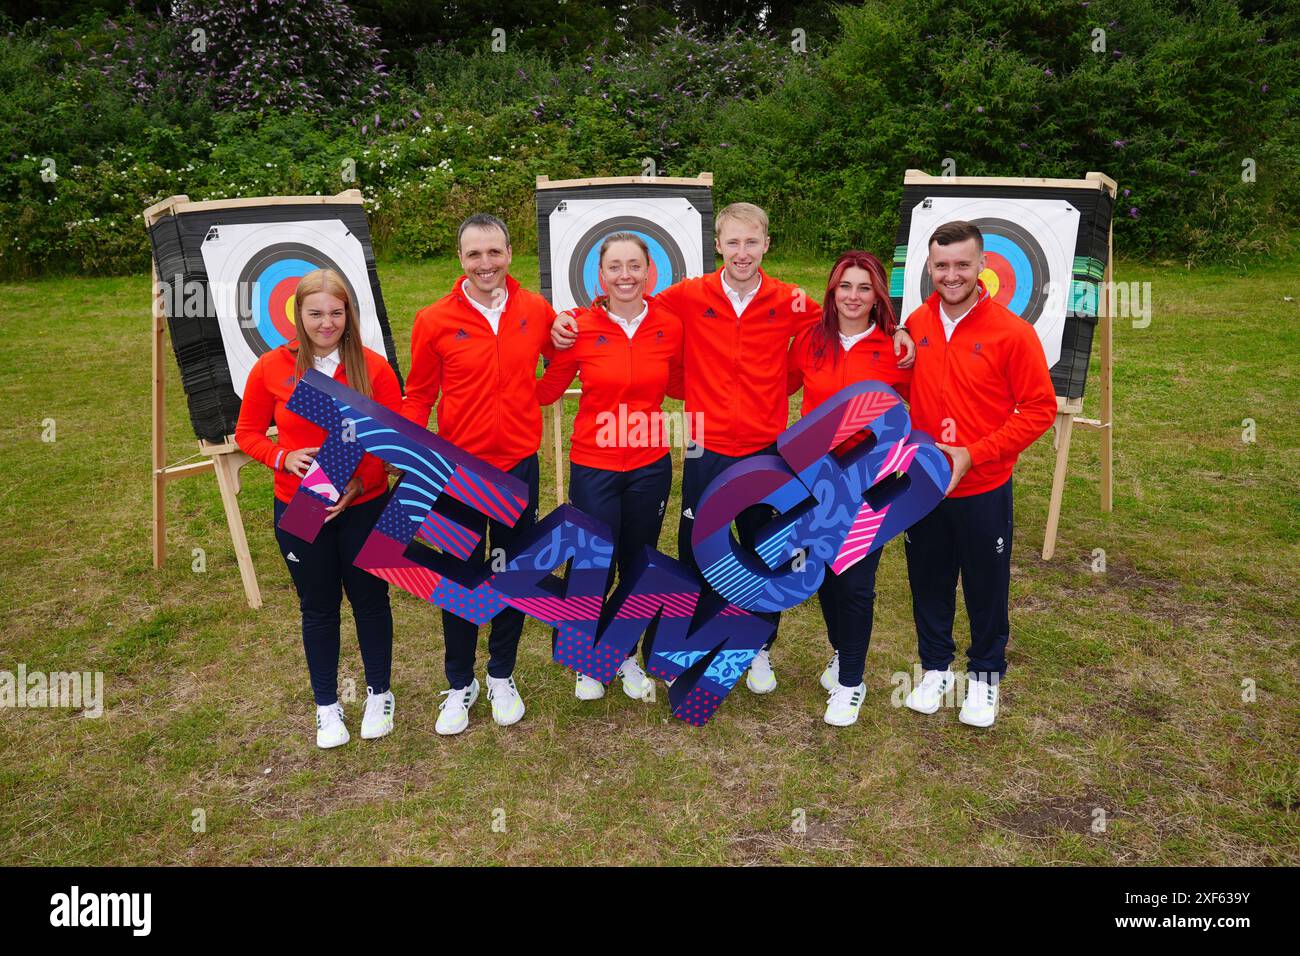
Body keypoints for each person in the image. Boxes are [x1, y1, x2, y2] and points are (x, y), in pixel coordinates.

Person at [553, 202, 915, 696]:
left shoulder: (791, 301)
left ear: (766, 244)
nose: (742, 253)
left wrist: (897, 330)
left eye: (752, 242)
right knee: (696, 553)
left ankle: (757, 647)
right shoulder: (686, 296)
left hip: (769, 453)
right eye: (733, 242)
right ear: (717, 246)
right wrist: (570, 320)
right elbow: (628, 306)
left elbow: (844, 316)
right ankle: (692, 644)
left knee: (769, 552)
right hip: (706, 447)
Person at [235, 268, 403, 749]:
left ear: (349, 314)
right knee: (319, 607)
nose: (327, 323)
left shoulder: (374, 367)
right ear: (298, 315)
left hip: (366, 503)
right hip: (303, 503)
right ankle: (327, 707)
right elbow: (247, 433)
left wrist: (360, 481)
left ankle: (378, 695)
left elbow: (394, 446)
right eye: (315, 314)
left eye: (336, 312)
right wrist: (283, 458)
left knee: (371, 601)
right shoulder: (271, 368)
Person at [402, 213, 556, 735]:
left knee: (511, 572)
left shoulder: (535, 309)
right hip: (458, 474)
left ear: (510, 254)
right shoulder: (433, 319)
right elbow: (420, 393)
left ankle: (501, 674)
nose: (485, 263)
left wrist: (532, 400)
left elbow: (561, 361)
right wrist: (409, 454)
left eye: (494, 252)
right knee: (462, 579)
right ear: (460, 259)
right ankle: (459, 681)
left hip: (517, 468)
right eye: (474, 254)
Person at [899, 221, 1057, 727]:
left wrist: (974, 453)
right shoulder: (917, 324)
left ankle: (985, 677)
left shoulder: (1013, 333)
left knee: (985, 584)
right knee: (928, 577)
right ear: (929, 266)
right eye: (942, 265)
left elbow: (1038, 409)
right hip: (924, 484)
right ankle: (935, 668)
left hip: (983, 485)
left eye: (962, 265)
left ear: (982, 266)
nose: (951, 275)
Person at [535, 232, 685, 703]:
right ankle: (586, 659)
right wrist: (547, 338)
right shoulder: (578, 326)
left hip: (649, 463)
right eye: (615, 267)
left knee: (638, 562)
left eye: (634, 266)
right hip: (594, 464)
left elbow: (684, 381)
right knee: (593, 563)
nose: (625, 275)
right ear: (600, 275)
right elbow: (547, 390)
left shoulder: (669, 324)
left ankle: (626, 652)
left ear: (649, 271)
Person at [786, 251, 911, 726]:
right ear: (832, 292)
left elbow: (915, 410)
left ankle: (851, 683)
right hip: (816, 480)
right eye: (845, 287)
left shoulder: (896, 349)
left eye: (864, 288)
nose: (853, 297)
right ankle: (842, 652)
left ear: (877, 295)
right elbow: (785, 385)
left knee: (856, 581)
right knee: (824, 573)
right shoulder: (810, 342)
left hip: (869, 483)